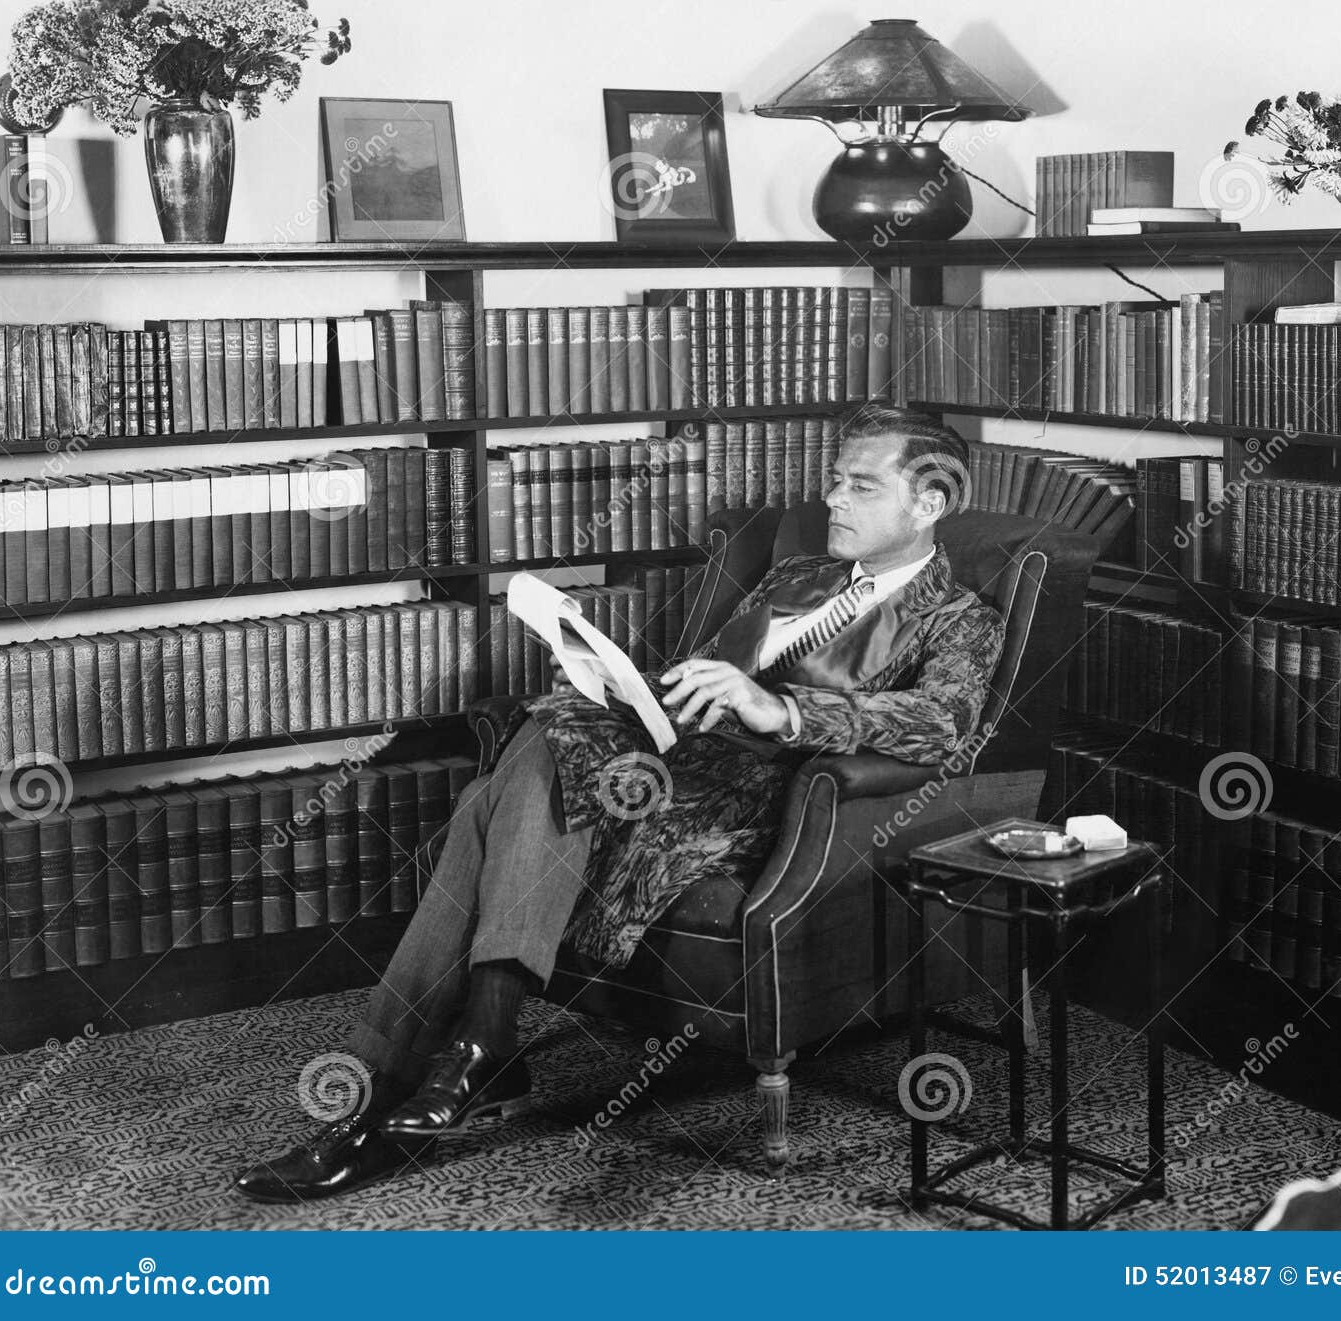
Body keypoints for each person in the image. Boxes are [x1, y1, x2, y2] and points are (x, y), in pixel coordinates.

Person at [231, 404, 1006, 1203]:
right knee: (551, 730)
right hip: (674, 763)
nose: (836, 499)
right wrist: (616, 682)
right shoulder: (795, 579)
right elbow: (698, 682)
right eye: (835, 480)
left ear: (929, 503)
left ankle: (399, 1082)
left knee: (502, 791)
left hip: (762, 796)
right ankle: (478, 1038)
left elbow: (941, 725)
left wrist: (782, 711)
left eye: (861, 486)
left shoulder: (957, 618)